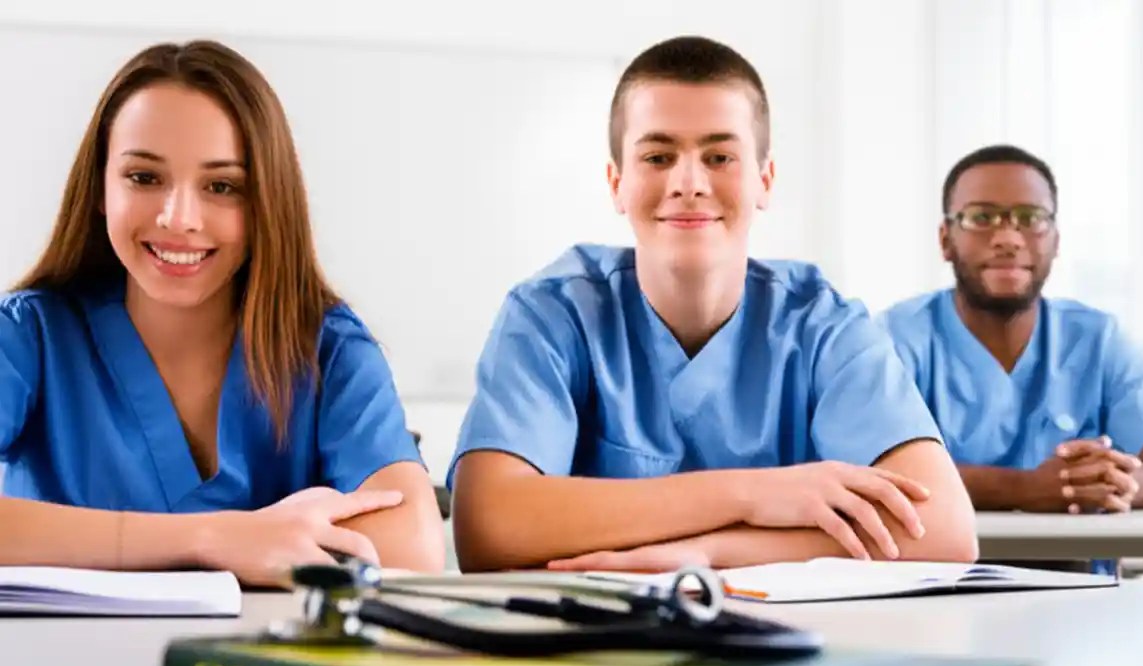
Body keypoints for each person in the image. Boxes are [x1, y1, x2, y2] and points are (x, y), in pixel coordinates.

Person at [448, 35, 977, 573]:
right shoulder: (552, 315)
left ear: (763, 180)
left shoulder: (822, 326)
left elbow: (944, 529)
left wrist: (706, 553)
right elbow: (489, 527)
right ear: (617, 184)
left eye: (720, 156)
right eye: (658, 156)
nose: (689, 183)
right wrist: (750, 495)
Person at [0, 40, 445, 586]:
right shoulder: (28, 337)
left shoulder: (328, 350)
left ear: (266, 204)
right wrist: (217, 539)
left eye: (222, 187)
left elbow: (412, 546)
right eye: (144, 177)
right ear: (99, 188)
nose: (178, 217)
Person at [880, 144, 1143, 519]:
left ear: (1056, 240)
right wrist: (1024, 489)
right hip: (943, 577)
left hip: (1085, 578)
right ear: (945, 239)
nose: (1008, 238)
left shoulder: (1095, 339)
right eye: (981, 217)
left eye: (1031, 218)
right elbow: (866, 470)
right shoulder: (896, 340)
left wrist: (1113, 482)